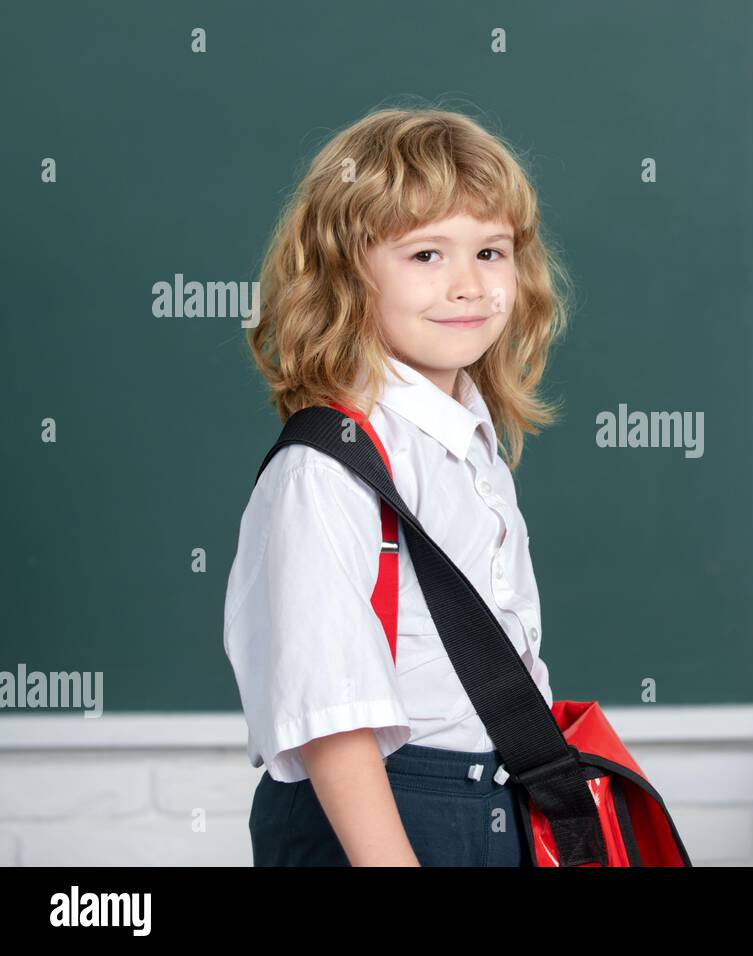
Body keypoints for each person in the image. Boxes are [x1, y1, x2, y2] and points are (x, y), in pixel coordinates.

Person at [223, 106, 572, 866]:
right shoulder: (325, 469)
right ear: (347, 274)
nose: (469, 285)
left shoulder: (468, 443)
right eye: (425, 256)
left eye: (490, 251)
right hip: (385, 816)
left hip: (492, 800)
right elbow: (333, 720)